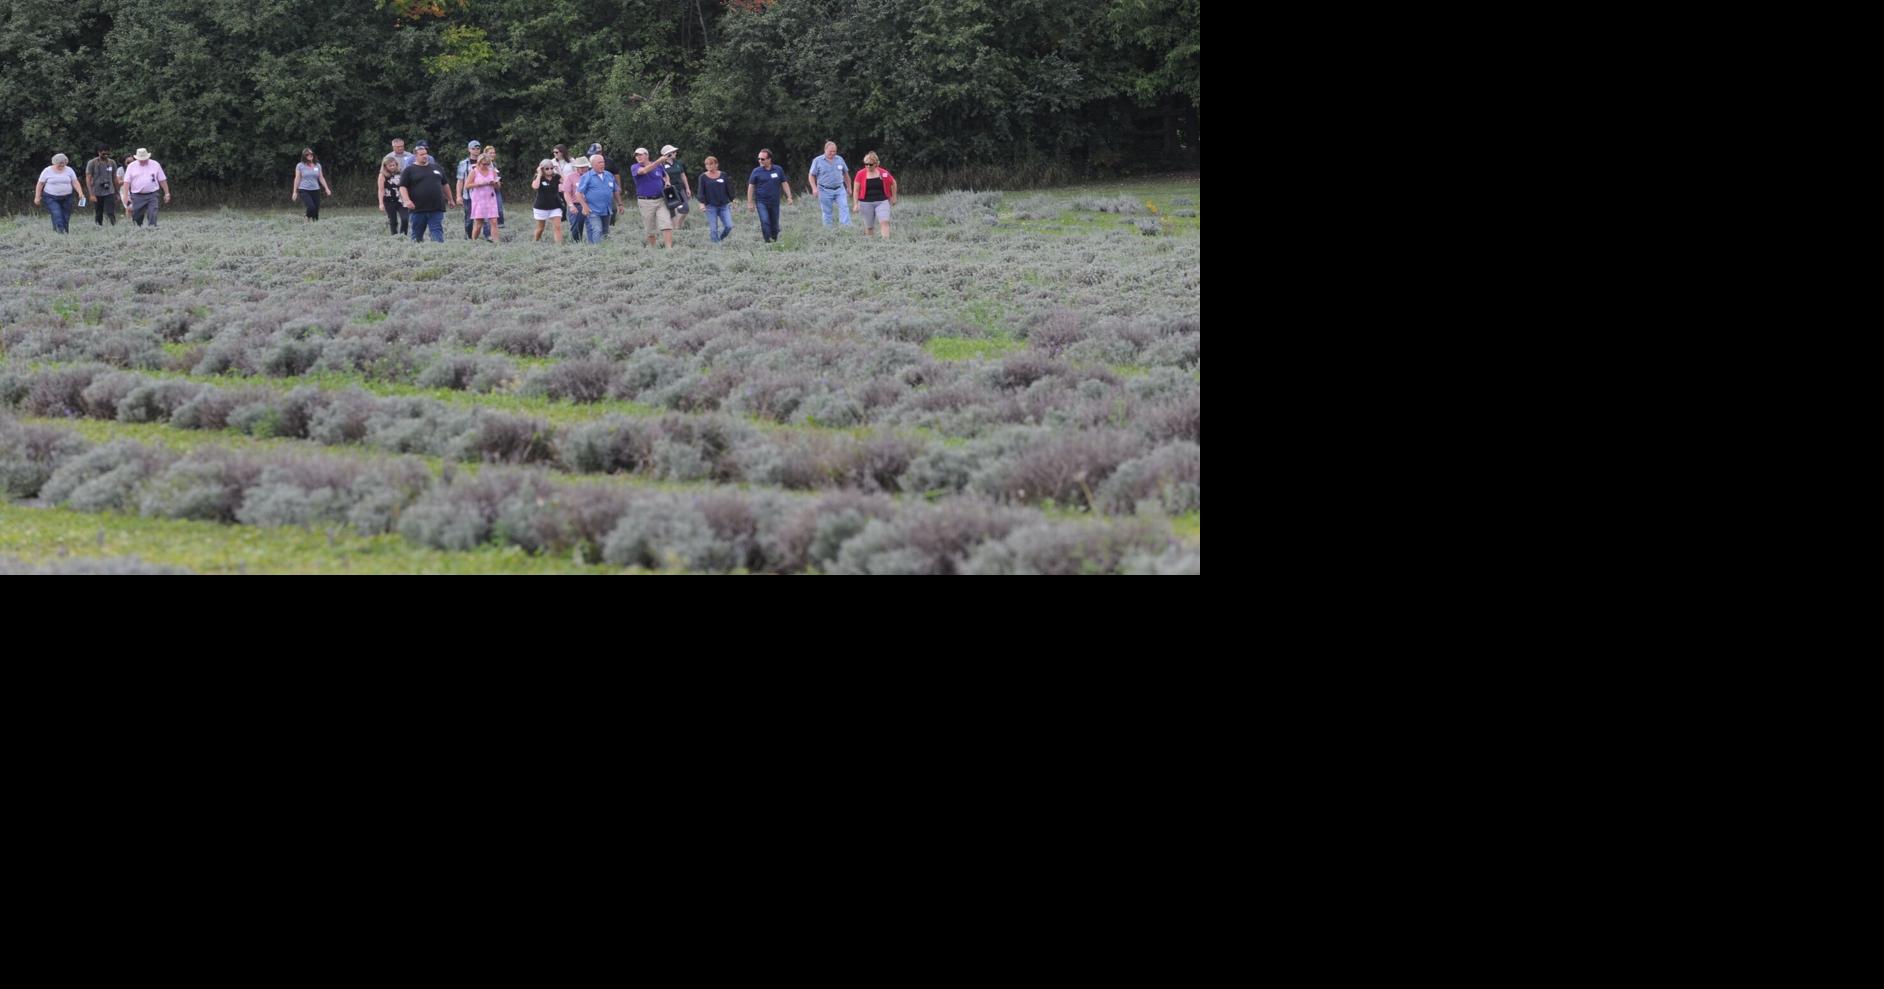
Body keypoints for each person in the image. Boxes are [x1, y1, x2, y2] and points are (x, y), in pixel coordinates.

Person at [398, 143, 451, 242]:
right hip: (418, 208)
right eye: (421, 154)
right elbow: (402, 187)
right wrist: (407, 200)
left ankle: (438, 252)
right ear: (415, 156)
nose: (425, 156)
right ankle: (416, 253)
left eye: (426, 154)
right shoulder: (409, 170)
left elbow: (445, 184)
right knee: (417, 234)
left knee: (437, 231)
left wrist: (450, 199)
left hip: (436, 207)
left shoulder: (437, 167)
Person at [629, 147, 674, 248]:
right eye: (636, 155)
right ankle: (653, 250)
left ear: (647, 155)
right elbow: (644, 171)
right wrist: (659, 161)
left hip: (661, 199)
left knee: (666, 223)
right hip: (645, 201)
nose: (638, 157)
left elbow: (665, 175)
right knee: (650, 228)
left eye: (641, 154)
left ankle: (669, 249)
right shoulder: (635, 167)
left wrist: (667, 182)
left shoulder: (658, 166)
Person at [746, 148, 794, 243]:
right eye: (759, 159)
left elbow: (784, 183)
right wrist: (750, 202)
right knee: (765, 222)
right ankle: (767, 243)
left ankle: (774, 242)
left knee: (775, 225)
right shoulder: (756, 171)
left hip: (775, 202)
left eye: (762, 159)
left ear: (769, 159)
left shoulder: (778, 169)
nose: (760, 161)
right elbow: (751, 186)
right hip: (761, 202)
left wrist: (789, 197)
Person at [34, 154, 86, 233]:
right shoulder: (47, 171)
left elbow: (75, 182)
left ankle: (64, 232)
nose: (62, 165)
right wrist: (37, 197)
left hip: (67, 197)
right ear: (54, 163)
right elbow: (40, 184)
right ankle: (60, 233)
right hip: (51, 197)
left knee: (66, 216)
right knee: (57, 214)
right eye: (60, 163)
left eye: (63, 163)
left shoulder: (69, 170)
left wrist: (80, 193)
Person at [575, 154, 619, 244]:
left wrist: (620, 204)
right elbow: (578, 193)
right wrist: (585, 206)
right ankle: (596, 251)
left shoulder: (609, 175)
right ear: (593, 164)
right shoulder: (587, 176)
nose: (602, 164)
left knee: (606, 231)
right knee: (597, 229)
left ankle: (605, 250)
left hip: (606, 209)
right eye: (599, 162)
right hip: (593, 210)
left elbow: (615, 190)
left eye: (603, 162)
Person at [852, 151, 897, 238]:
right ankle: (871, 244)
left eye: (871, 164)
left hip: (882, 201)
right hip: (865, 203)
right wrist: (855, 204)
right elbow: (856, 190)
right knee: (869, 227)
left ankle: (886, 243)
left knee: (885, 222)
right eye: (866, 164)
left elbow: (893, 183)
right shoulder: (860, 174)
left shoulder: (883, 173)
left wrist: (894, 197)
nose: (868, 166)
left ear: (876, 164)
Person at [124, 148, 171, 227]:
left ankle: (152, 229)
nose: (143, 160)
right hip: (137, 195)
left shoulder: (155, 164)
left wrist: (167, 193)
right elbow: (126, 182)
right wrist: (126, 195)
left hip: (152, 194)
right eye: (140, 159)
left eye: (144, 159)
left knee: (153, 213)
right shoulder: (131, 166)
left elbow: (162, 179)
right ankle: (137, 230)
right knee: (137, 216)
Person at [808, 140, 850, 227]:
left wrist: (849, 187)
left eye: (834, 151)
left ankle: (845, 229)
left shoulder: (840, 159)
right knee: (827, 211)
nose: (832, 153)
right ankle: (828, 232)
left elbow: (846, 174)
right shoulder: (817, 160)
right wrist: (814, 188)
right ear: (825, 150)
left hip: (840, 189)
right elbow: (811, 175)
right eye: (830, 151)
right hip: (824, 190)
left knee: (844, 207)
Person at [465, 147, 502, 242]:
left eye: (488, 164)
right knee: (479, 223)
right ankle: (474, 241)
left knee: (494, 221)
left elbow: (498, 186)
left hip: (491, 198)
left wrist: (495, 183)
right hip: (478, 199)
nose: (486, 166)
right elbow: (467, 185)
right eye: (484, 164)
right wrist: (478, 184)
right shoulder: (474, 172)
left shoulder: (492, 171)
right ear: (479, 162)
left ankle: (497, 243)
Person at [696, 155, 734, 244]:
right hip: (710, 206)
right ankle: (716, 246)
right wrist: (702, 204)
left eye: (711, 164)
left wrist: (733, 200)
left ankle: (719, 239)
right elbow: (701, 191)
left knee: (729, 226)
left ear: (716, 164)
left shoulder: (723, 175)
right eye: (706, 164)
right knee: (713, 229)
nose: (709, 166)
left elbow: (729, 189)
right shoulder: (703, 177)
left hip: (723, 205)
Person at [292, 147, 334, 221]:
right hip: (304, 189)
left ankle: (315, 225)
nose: (310, 155)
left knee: (316, 211)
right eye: (307, 154)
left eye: (311, 154)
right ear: (304, 156)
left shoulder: (317, 165)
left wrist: (327, 188)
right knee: (311, 207)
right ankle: (307, 218)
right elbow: (297, 178)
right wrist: (295, 192)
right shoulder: (300, 165)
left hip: (316, 189)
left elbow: (321, 177)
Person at [530, 158, 566, 244]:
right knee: (541, 228)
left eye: (551, 168)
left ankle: (559, 246)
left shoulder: (556, 177)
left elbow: (566, 182)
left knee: (557, 226)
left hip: (555, 205)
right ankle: (535, 242)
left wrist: (559, 171)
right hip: (541, 206)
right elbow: (535, 187)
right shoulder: (539, 177)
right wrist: (539, 174)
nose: (550, 170)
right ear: (542, 169)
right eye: (547, 168)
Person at [660, 144, 692, 230]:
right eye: (673, 152)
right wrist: (666, 181)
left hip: (680, 188)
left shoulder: (678, 163)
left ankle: (677, 226)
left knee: (685, 208)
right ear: (668, 154)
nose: (676, 153)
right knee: (672, 211)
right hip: (669, 191)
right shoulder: (661, 165)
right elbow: (662, 176)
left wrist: (687, 188)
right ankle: (674, 230)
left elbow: (683, 175)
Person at [87, 147, 120, 226]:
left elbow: (114, 177)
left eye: (107, 154)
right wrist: (91, 194)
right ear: (99, 152)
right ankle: (98, 227)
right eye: (103, 153)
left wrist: (117, 192)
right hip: (97, 191)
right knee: (99, 212)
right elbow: (88, 178)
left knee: (110, 212)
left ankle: (113, 227)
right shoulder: (92, 163)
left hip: (109, 190)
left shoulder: (112, 162)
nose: (106, 155)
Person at [561, 154, 590, 244]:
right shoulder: (571, 177)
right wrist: (571, 205)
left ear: (587, 167)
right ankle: (577, 244)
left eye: (584, 167)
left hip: (591, 204)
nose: (582, 169)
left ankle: (593, 243)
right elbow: (566, 193)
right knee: (576, 227)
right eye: (580, 167)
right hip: (577, 205)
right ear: (576, 167)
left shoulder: (592, 176)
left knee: (593, 226)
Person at [376, 156, 408, 236]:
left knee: (405, 219)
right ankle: (394, 236)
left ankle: (403, 235)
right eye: (390, 166)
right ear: (385, 166)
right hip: (389, 201)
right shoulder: (382, 175)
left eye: (394, 165)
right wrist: (381, 203)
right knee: (393, 221)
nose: (393, 167)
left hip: (401, 199)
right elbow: (381, 190)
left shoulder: (401, 173)